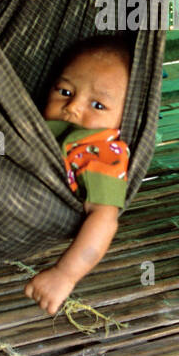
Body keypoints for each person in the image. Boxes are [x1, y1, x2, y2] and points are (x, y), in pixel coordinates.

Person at [25, 35, 133, 315]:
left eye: (98, 105)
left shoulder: (101, 152)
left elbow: (104, 219)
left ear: (127, 116)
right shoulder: (34, 118)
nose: (72, 107)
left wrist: (66, 274)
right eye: (64, 91)